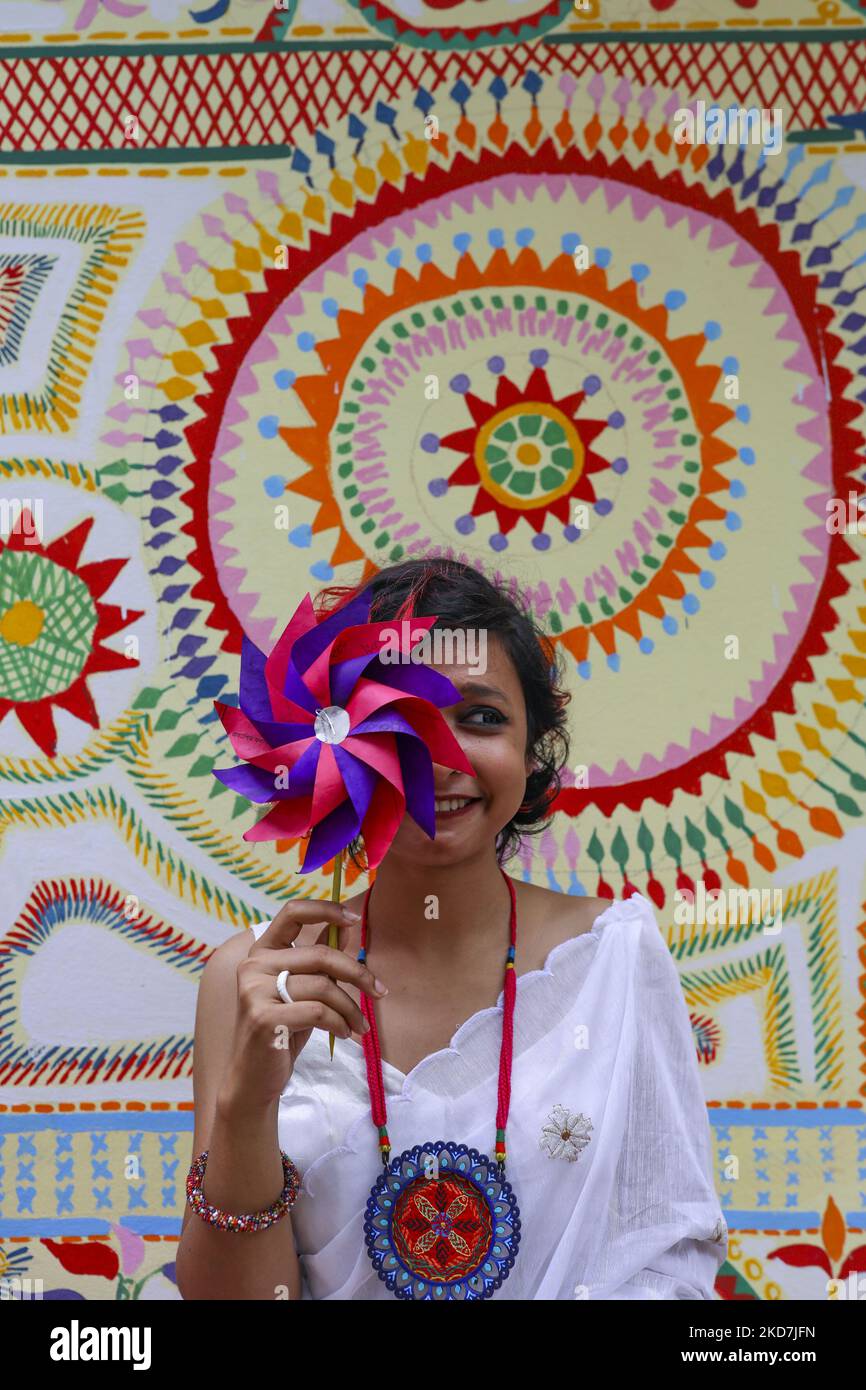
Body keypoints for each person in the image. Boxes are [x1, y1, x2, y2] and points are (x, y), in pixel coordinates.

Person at [176, 557, 727, 1300]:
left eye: (480, 717)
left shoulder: (618, 958)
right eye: (392, 721)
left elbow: (669, 1250)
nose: (438, 756)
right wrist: (248, 1104)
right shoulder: (251, 981)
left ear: (534, 754)